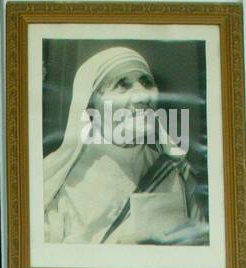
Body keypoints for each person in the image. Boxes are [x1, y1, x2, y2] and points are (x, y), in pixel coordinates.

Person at [43, 46, 208, 245]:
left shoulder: (177, 173)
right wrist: (123, 245)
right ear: (92, 103)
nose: (143, 96)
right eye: (122, 84)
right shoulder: (56, 184)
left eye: (147, 83)